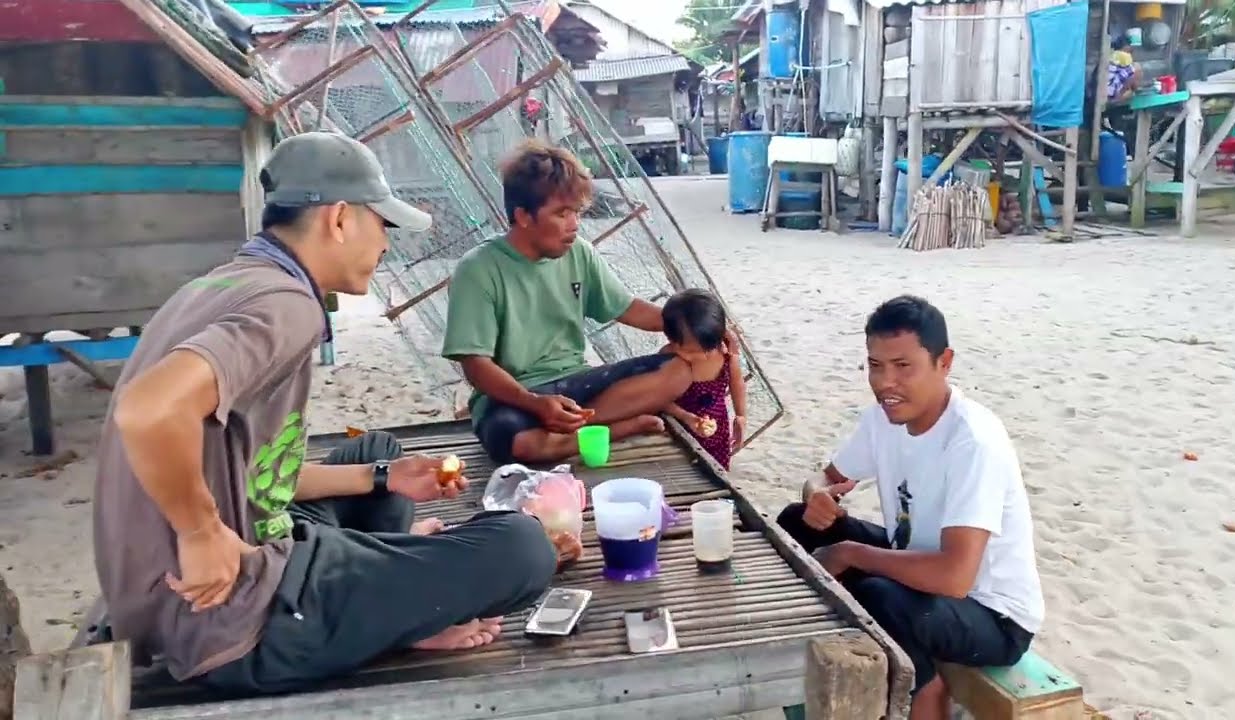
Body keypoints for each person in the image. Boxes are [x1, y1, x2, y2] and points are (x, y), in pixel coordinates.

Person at [92, 131, 557, 696]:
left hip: (189, 586)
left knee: (377, 453)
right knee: (523, 548)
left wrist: (383, 478)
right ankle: (396, 608)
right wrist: (200, 532)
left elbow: (256, 471)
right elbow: (148, 410)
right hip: (229, 621)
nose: (387, 243)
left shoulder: (225, 282)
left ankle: (389, 583)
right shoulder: (287, 306)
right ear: (339, 219)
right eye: (382, 224)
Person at [777, 295, 1043, 720]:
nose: (886, 383)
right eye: (875, 366)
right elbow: (825, 479)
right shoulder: (884, 419)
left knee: (877, 594)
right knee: (795, 522)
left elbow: (955, 578)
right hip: (916, 566)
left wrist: (851, 552)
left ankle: (927, 691)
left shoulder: (972, 442)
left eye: (903, 367)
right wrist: (818, 496)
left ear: (944, 362)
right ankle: (829, 659)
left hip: (992, 613)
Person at [443, 139, 703, 464]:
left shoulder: (579, 252)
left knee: (678, 371)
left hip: (578, 384)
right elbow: (476, 366)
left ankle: (575, 431)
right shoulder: (477, 269)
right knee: (518, 444)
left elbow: (627, 308)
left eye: (576, 212)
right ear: (523, 216)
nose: (574, 225)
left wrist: (698, 328)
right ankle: (616, 427)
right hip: (514, 395)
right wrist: (534, 403)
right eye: (561, 213)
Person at [659, 288, 748, 469]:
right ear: (671, 340)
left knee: (716, 470)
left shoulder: (727, 356)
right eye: (688, 351)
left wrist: (740, 416)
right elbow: (659, 399)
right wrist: (685, 417)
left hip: (718, 433)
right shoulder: (666, 357)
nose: (696, 357)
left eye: (705, 351)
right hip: (678, 431)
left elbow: (737, 383)